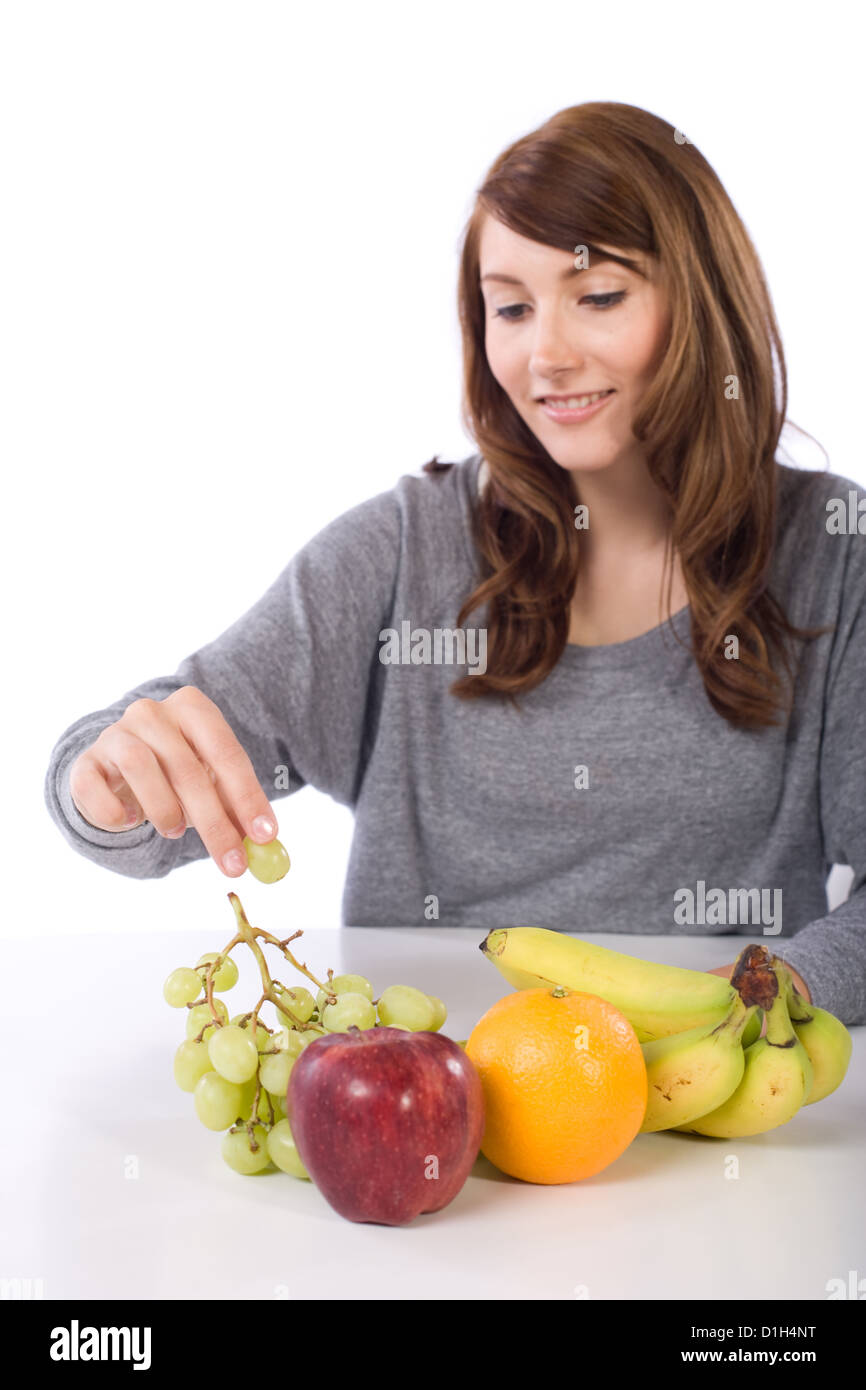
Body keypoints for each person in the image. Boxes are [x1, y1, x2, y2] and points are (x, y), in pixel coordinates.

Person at [44, 101, 866, 1026]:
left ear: (702, 302)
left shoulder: (834, 554)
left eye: (598, 297)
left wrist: (769, 998)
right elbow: (166, 767)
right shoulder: (405, 548)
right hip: (428, 1115)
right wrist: (103, 784)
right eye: (511, 306)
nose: (545, 354)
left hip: (716, 1115)